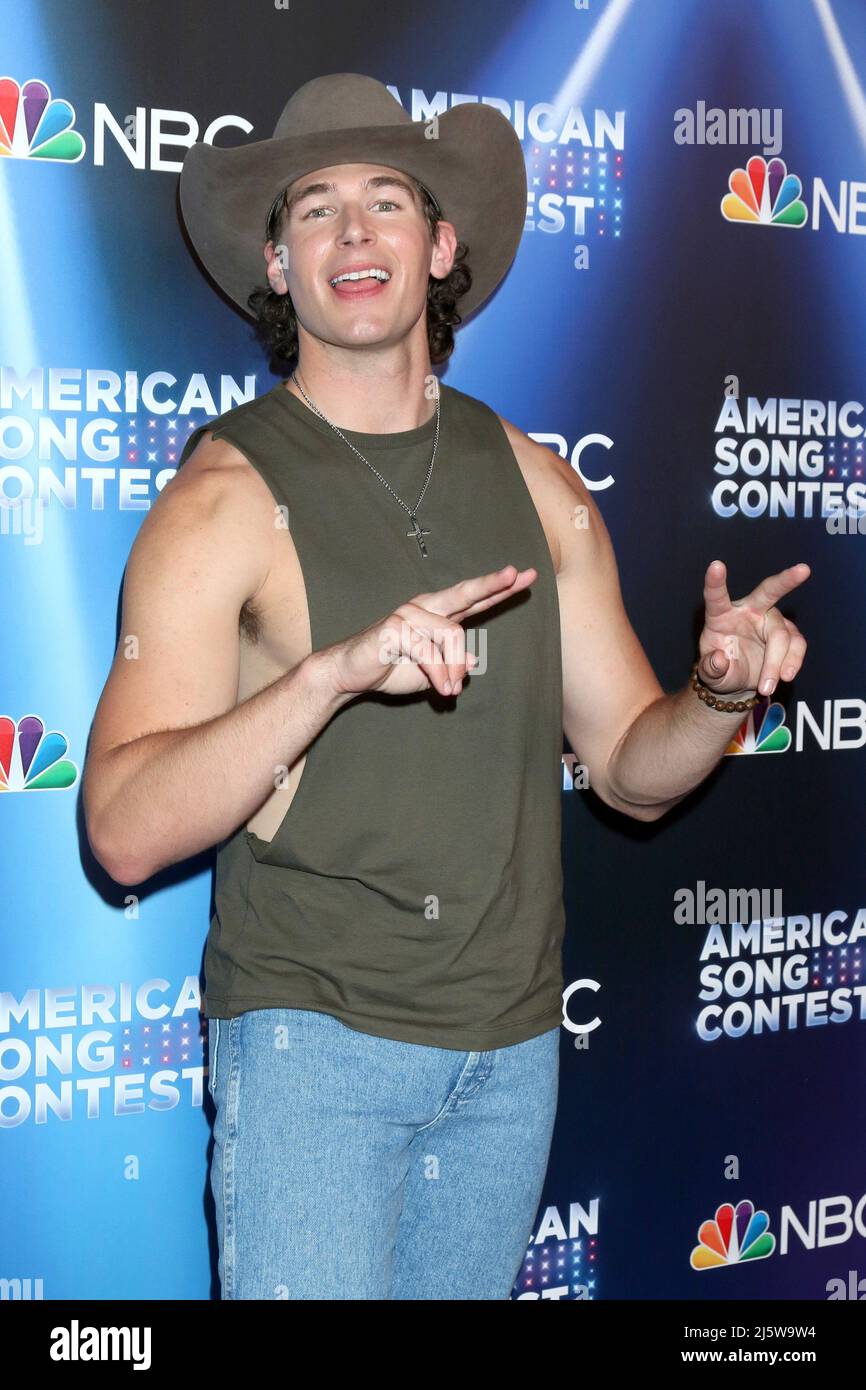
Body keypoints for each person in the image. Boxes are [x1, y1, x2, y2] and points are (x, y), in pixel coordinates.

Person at [82, 73, 810, 1300]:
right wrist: (332, 674)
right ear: (277, 264)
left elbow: (633, 773)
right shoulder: (217, 500)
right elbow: (122, 829)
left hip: (510, 1055)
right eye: (314, 209)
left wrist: (718, 693)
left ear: (441, 245)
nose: (354, 233)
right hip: (312, 1050)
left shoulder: (538, 484)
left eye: (386, 201)